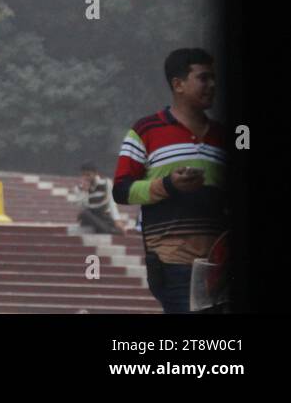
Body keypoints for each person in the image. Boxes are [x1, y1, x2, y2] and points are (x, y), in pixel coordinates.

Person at [113, 48, 226, 314]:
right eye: (203, 78)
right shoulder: (145, 130)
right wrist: (167, 185)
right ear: (178, 84)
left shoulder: (223, 135)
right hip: (173, 263)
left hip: (221, 263)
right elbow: (121, 190)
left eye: (214, 79)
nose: (212, 85)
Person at [73, 162, 121, 235]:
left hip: (103, 216)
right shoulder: (79, 188)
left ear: (95, 173)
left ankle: (107, 229)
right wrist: (85, 192)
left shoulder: (106, 183)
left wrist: (117, 220)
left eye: (88, 175)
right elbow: (82, 207)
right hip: (89, 217)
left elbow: (112, 203)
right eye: (83, 175)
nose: (86, 177)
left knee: (106, 219)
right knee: (84, 213)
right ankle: (109, 231)